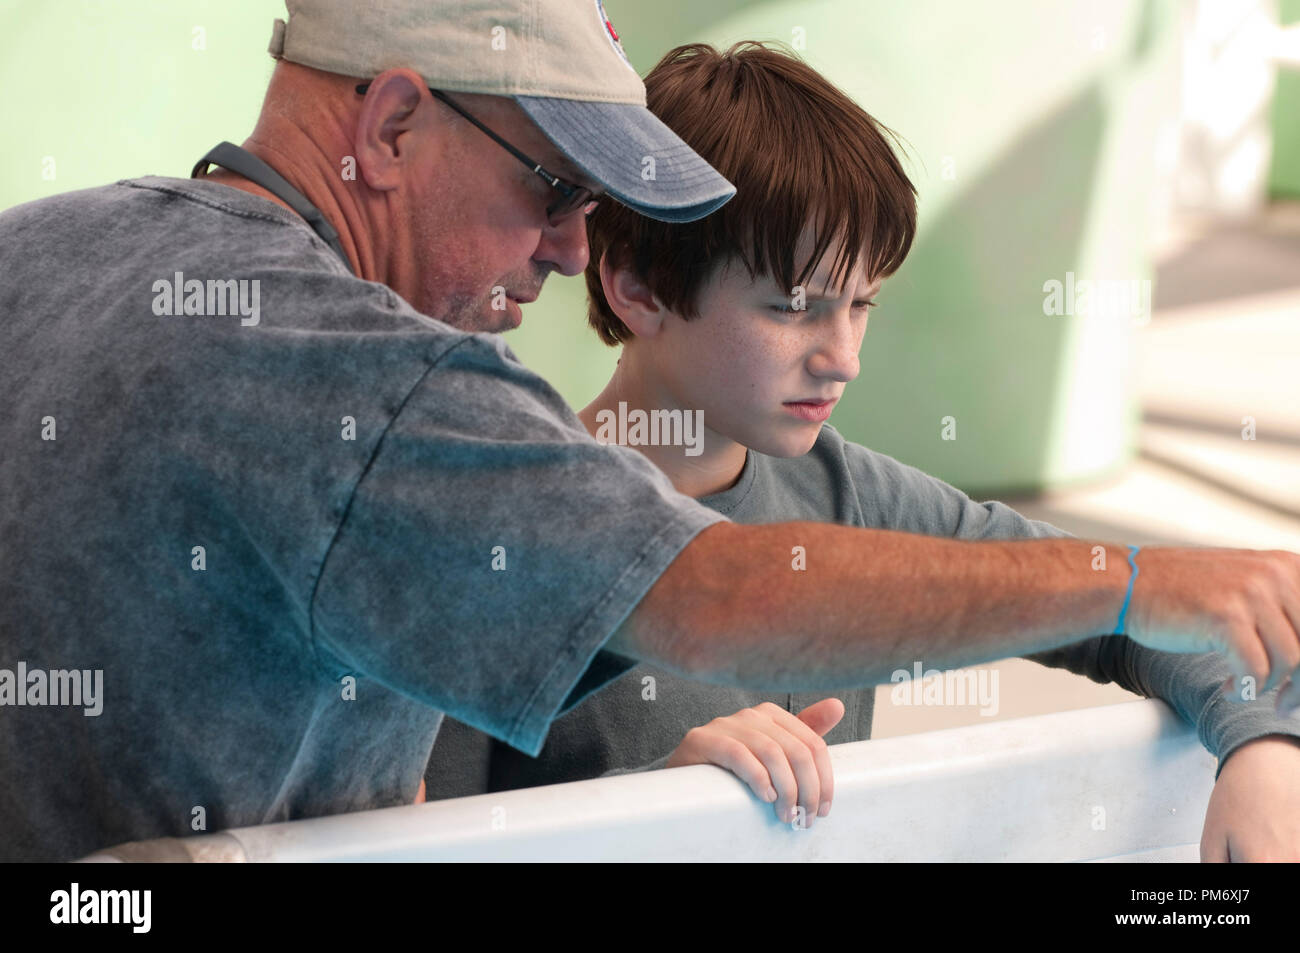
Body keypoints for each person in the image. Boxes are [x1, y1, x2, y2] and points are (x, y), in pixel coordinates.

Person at [2, 0, 1298, 863]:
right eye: (552, 186)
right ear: (392, 126)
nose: (573, 248)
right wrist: (1135, 574)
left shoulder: (35, 247)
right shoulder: (386, 388)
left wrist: (1253, 731)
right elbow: (715, 592)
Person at [423, 41, 1300, 857]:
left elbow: (1128, 608)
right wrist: (656, 807)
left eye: (862, 304)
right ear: (638, 286)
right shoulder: (497, 533)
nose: (842, 357)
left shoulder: (849, 494)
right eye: (793, 306)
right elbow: (416, 840)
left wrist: (1260, 745)